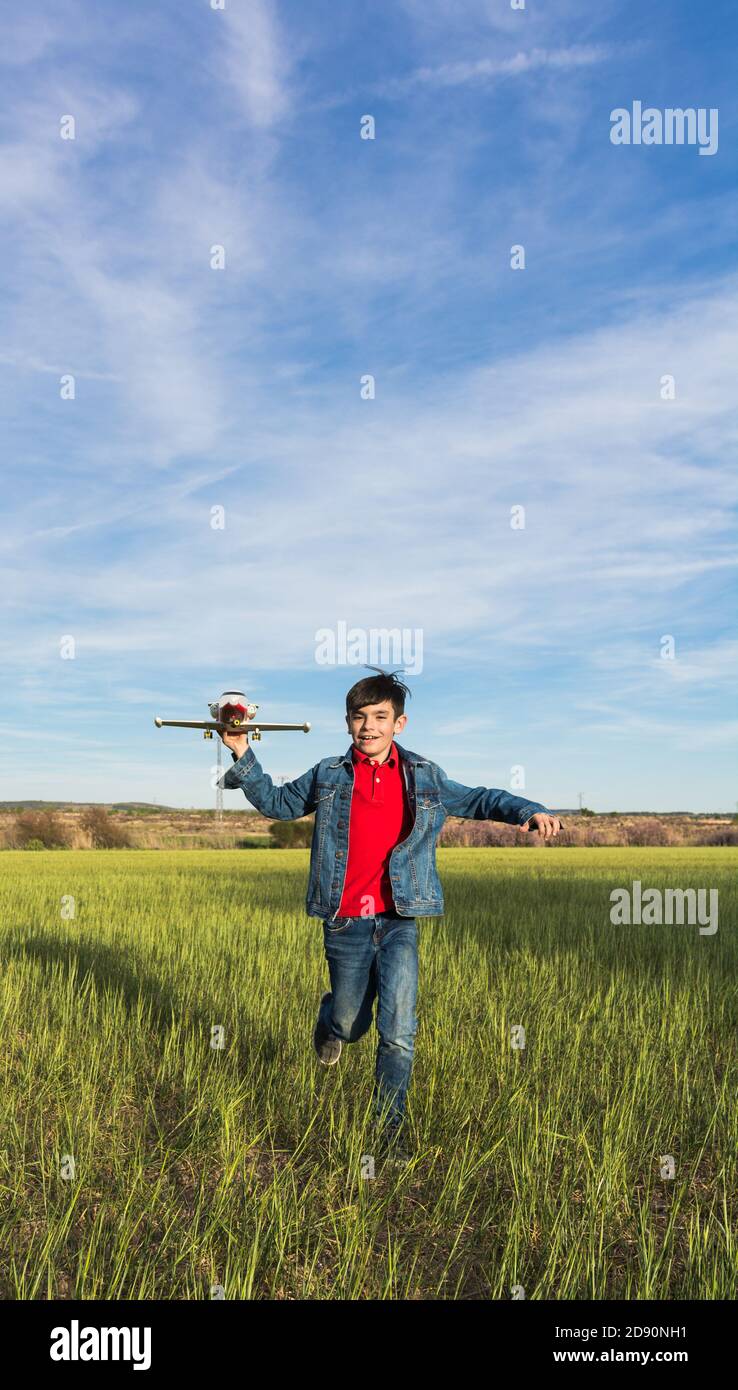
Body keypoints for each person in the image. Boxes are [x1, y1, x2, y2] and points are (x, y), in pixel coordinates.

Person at [219, 669, 561, 1163]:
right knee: (350, 1022)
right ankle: (330, 1019)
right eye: (359, 718)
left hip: (399, 918)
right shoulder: (328, 774)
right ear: (348, 723)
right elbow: (277, 803)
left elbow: (481, 798)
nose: (369, 727)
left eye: (380, 717)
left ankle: (389, 1134)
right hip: (344, 919)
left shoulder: (425, 776)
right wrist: (240, 751)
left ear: (399, 723)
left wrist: (528, 809)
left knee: (398, 1032)